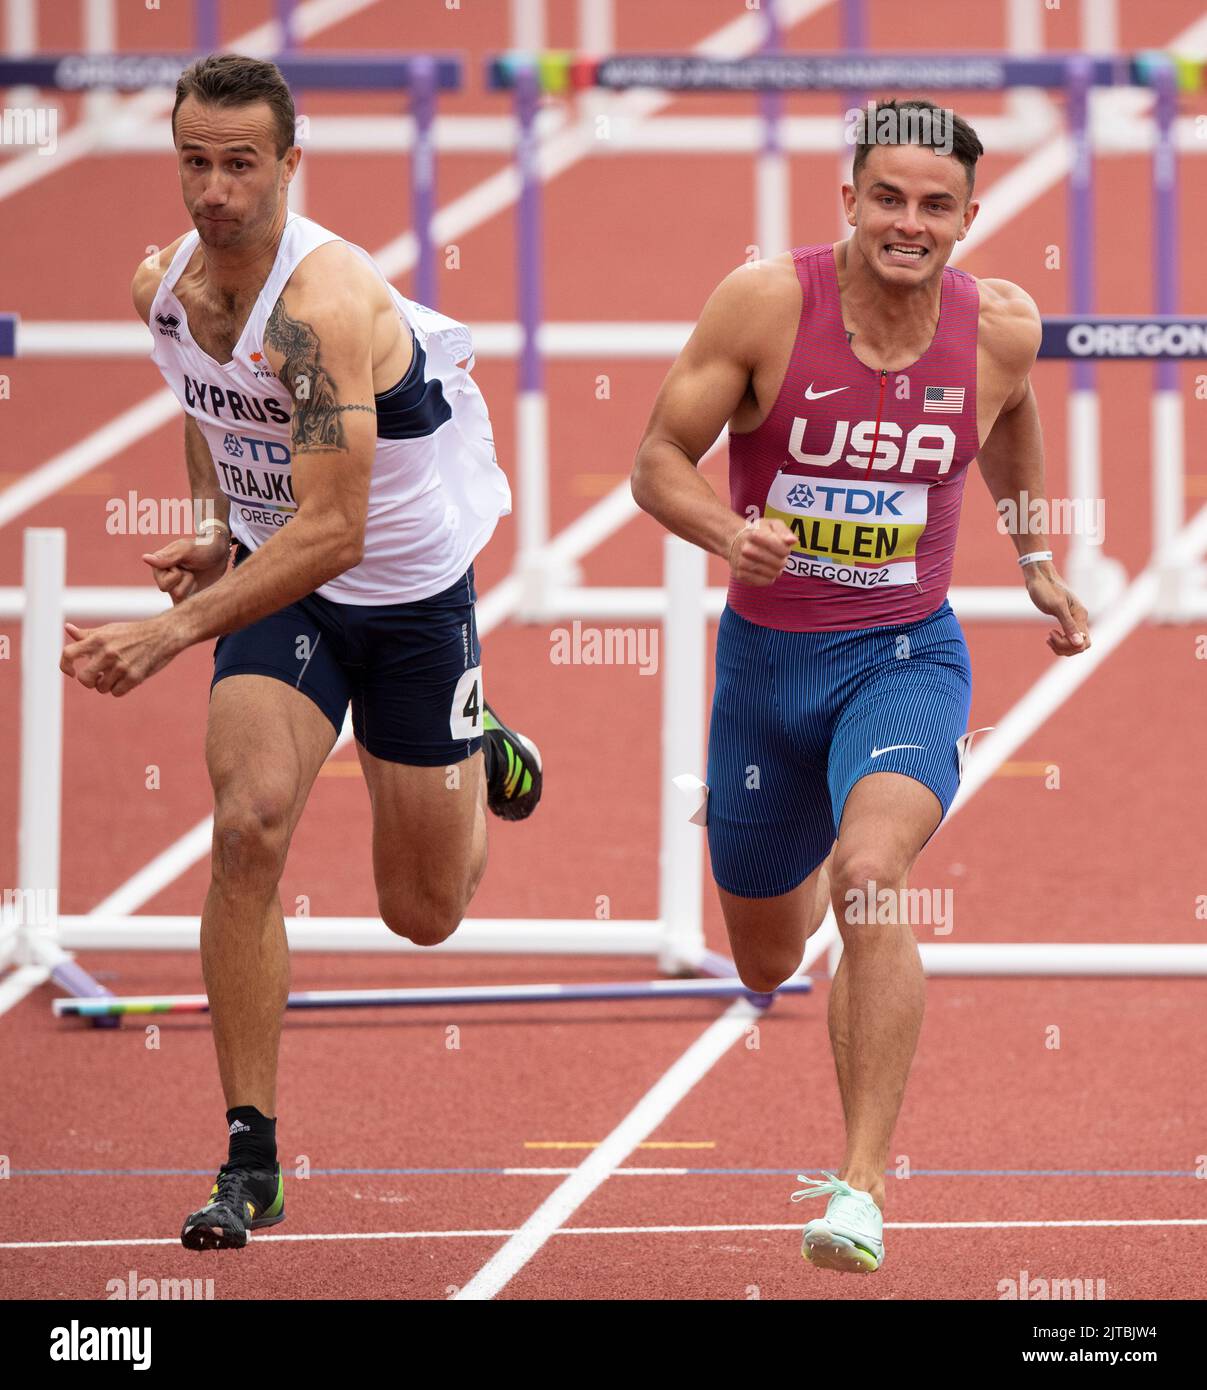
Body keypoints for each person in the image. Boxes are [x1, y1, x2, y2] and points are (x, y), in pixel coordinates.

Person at [59, 53, 542, 1252]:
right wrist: (221, 529)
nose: (214, 190)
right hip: (288, 591)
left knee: (422, 913)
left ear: (289, 163)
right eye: (193, 162)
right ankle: (251, 1152)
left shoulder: (321, 306)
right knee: (246, 824)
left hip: (406, 593)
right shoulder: (160, 288)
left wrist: (173, 630)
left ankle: (476, 740)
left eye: (240, 165)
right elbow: (208, 407)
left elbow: (334, 528)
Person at [631, 99, 1091, 1273]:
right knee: (765, 960)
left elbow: (1013, 417)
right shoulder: (766, 303)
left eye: (935, 204)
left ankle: (861, 1187)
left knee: (871, 878)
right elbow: (654, 463)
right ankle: (745, 817)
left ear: (968, 218)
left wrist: (1035, 555)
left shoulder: (1000, 327)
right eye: (886, 196)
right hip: (765, 668)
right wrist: (728, 533)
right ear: (846, 198)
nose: (907, 221)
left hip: (904, 659)